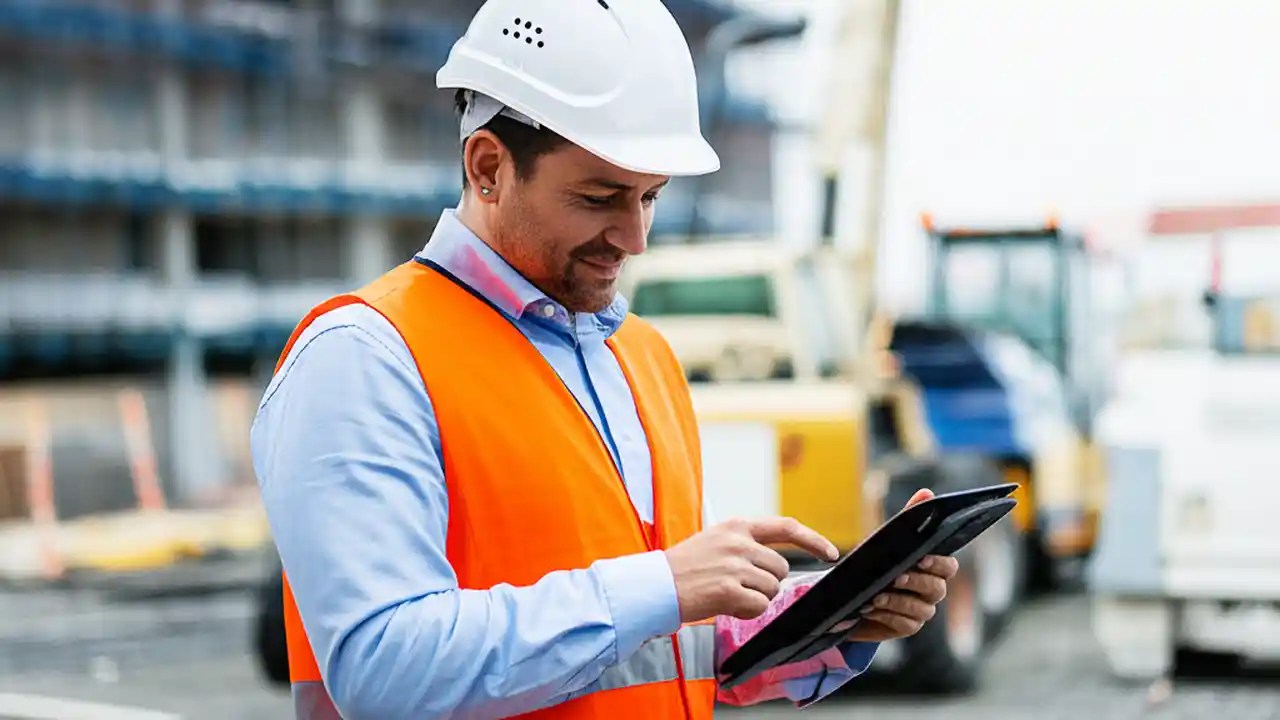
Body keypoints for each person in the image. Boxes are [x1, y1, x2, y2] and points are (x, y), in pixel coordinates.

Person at [251, 0, 959, 718]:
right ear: (489, 166)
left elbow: (657, 653)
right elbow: (385, 671)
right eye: (601, 197)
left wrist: (833, 617)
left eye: (651, 197)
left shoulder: (641, 358)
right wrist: (663, 584)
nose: (635, 235)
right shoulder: (366, 361)